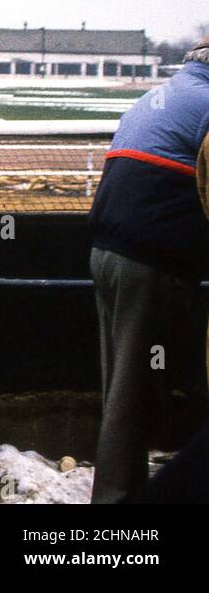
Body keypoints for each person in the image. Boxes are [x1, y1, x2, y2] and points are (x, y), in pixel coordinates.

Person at [87, 37, 209, 503]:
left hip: (108, 251)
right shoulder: (206, 106)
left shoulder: (157, 96)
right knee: (132, 388)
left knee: (124, 380)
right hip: (151, 258)